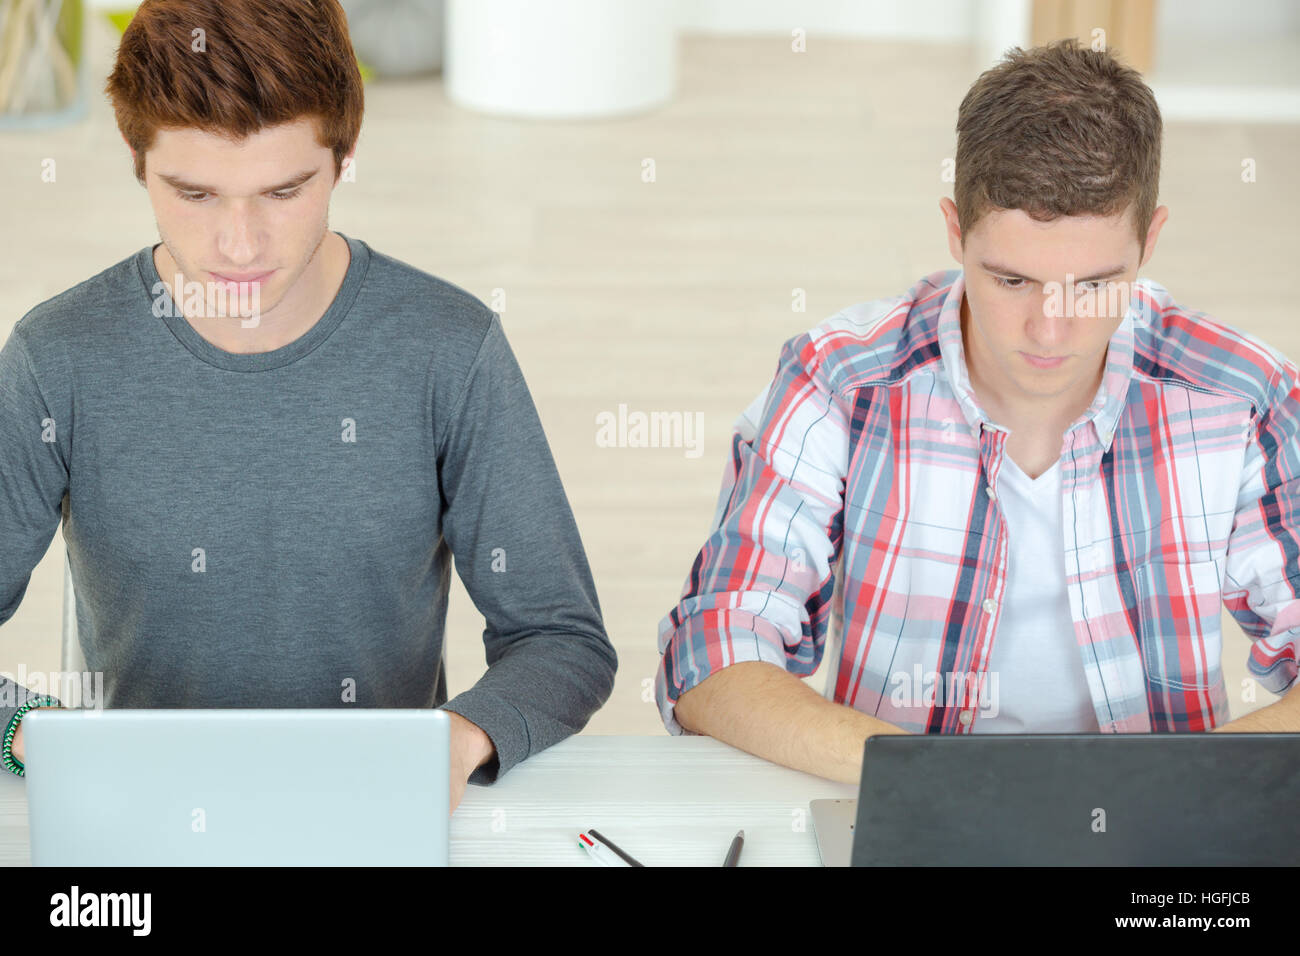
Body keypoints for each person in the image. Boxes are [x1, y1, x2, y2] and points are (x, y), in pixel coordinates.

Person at [0, 0, 616, 813]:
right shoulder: (58, 357)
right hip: (139, 821)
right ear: (135, 158)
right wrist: (30, 736)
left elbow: (560, 637)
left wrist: (456, 741)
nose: (241, 245)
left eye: (284, 191)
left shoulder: (448, 349)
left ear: (344, 155)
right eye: (194, 194)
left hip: (372, 819)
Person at [655, 38, 1300, 784]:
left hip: (1153, 844)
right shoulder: (839, 383)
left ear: (1149, 241)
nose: (1051, 331)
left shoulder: (1239, 397)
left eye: (1094, 285)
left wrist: (1170, 792)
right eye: (1013, 280)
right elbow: (711, 656)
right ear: (955, 232)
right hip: (904, 805)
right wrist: (936, 783)